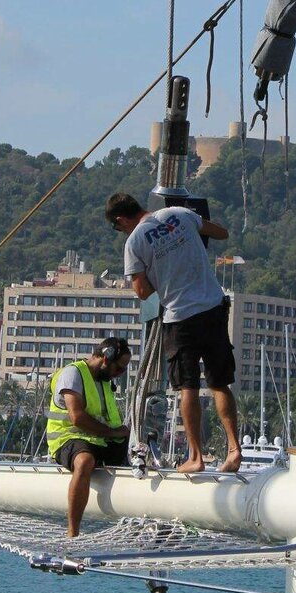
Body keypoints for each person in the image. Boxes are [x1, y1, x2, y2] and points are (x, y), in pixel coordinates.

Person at [105, 191, 241, 473]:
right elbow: (221, 233)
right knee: (219, 383)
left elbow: (142, 291)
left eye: (118, 228)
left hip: (180, 318)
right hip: (214, 308)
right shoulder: (178, 213)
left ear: (121, 220)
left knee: (188, 387)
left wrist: (162, 272)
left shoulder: (135, 242)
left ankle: (196, 457)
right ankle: (234, 449)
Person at [46, 337, 132, 537]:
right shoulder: (73, 374)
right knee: (85, 461)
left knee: (138, 456)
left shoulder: (104, 381)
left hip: (100, 439)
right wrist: (113, 433)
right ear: (106, 359)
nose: (120, 374)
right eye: (119, 368)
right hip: (69, 438)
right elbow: (77, 418)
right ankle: (73, 532)